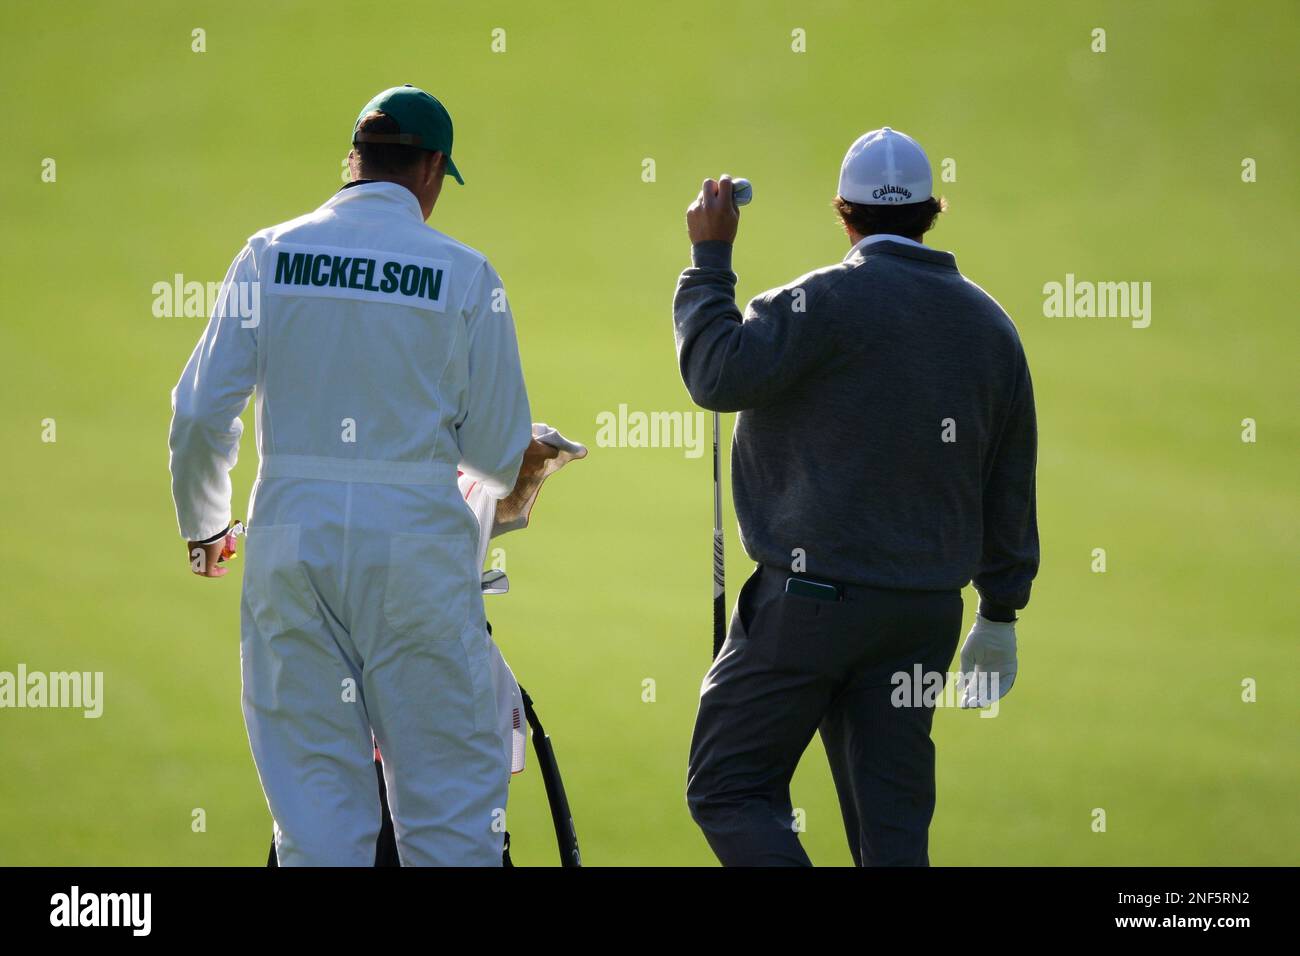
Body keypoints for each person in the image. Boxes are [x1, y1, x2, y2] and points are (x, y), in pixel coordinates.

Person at [169, 84, 535, 866]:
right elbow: (498, 454)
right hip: (414, 559)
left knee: (318, 832)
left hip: (287, 547)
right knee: (448, 831)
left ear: (355, 160)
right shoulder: (466, 274)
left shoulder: (270, 252)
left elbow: (201, 414)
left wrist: (205, 525)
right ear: (432, 169)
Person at [672, 128, 1039, 866]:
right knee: (893, 838)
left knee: (729, 788)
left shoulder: (819, 303)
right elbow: (1009, 481)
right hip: (922, 615)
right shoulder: (991, 326)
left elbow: (715, 375)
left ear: (845, 214)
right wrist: (999, 611)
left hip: (809, 608)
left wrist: (710, 262)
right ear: (933, 212)